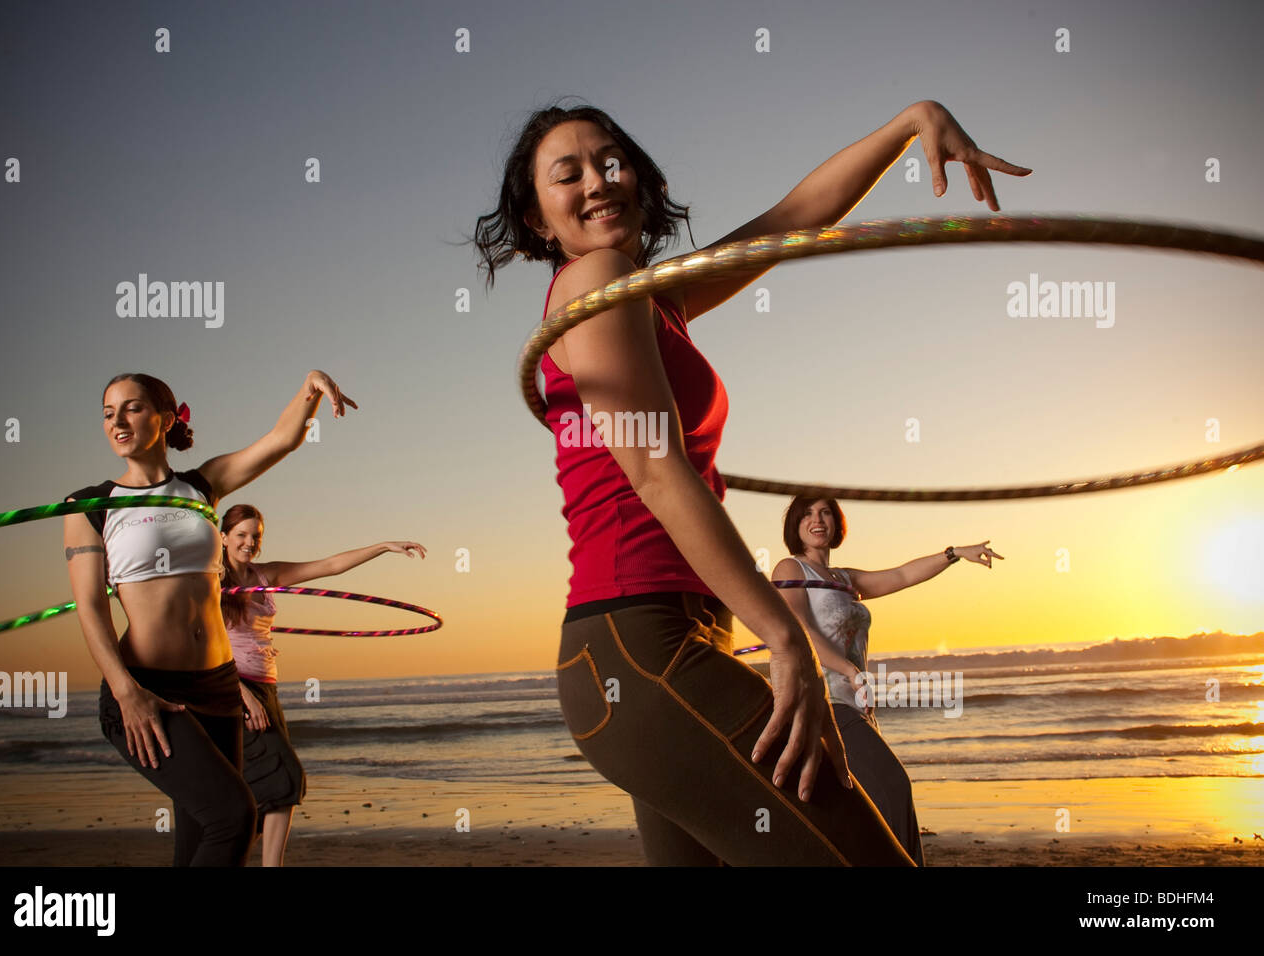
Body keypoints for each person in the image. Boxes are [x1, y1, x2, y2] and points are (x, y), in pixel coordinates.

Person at [471, 98, 1028, 865]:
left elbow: (791, 219)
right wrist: (786, 638)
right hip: (642, 647)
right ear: (539, 218)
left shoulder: (651, 299)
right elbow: (660, 475)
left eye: (611, 161)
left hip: (646, 657)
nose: (598, 182)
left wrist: (909, 123)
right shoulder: (594, 281)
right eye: (568, 175)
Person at [63, 370, 356, 866]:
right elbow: (91, 606)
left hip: (218, 687)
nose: (117, 421)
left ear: (166, 418)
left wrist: (308, 390)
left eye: (132, 408)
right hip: (148, 689)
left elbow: (281, 441)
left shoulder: (203, 486)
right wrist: (126, 692)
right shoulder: (90, 506)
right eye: (108, 412)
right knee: (234, 815)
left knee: (202, 839)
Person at [772, 496, 1003, 864]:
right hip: (825, 704)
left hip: (856, 707)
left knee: (860, 814)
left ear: (836, 523)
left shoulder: (846, 579)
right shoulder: (793, 569)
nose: (818, 519)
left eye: (826, 512)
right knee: (894, 788)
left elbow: (901, 575)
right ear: (795, 526)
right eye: (808, 514)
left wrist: (954, 553)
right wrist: (849, 670)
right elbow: (799, 633)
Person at [219, 502, 426, 866]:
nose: (249, 543)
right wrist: (243, 696)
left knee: (259, 793)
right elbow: (203, 646)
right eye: (241, 535)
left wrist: (382, 546)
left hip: (266, 688)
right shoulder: (210, 583)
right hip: (235, 689)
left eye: (256, 536)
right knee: (285, 781)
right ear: (223, 537)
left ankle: (219, 857)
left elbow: (328, 566)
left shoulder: (266, 574)